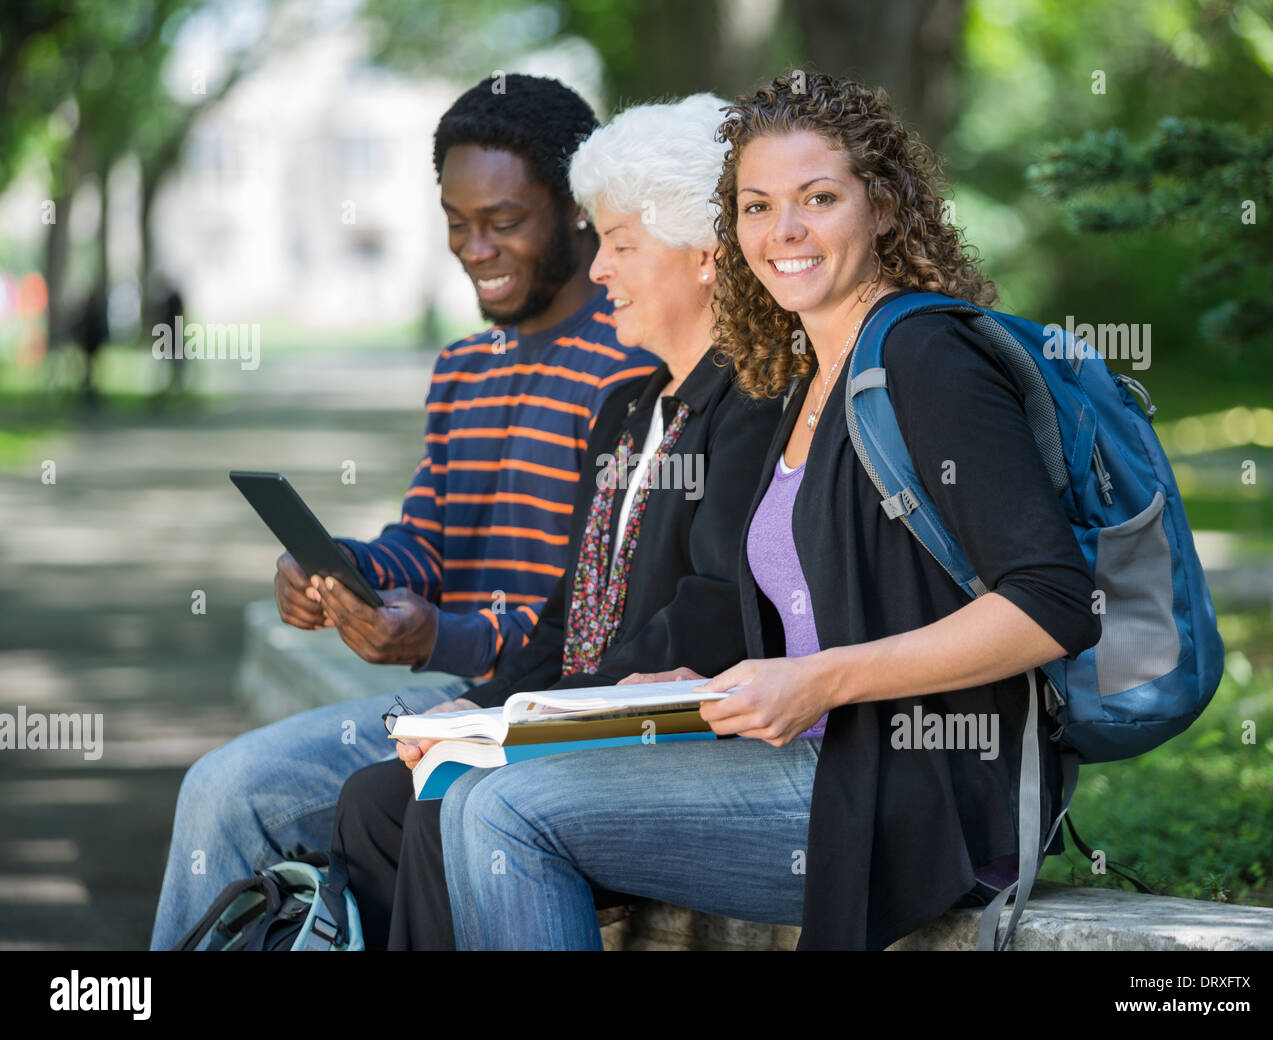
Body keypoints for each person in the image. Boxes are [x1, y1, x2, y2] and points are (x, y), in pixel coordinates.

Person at [434, 70, 1103, 950]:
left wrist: (822, 680)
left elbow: (1053, 602)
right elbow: (830, 607)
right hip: (818, 758)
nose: (783, 231)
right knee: (470, 787)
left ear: (887, 208)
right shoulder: (808, 378)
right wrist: (707, 686)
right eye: (755, 206)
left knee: (508, 811)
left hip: (922, 786)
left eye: (818, 198)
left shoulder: (926, 353)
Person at [148, 74, 658, 950]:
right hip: (449, 696)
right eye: (456, 222)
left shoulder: (635, 364)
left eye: (504, 221)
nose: (475, 247)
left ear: (578, 211)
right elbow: (425, 538)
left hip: (542, 711)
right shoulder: (462, 367)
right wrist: (346, 570)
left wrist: (438, 639)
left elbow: (593, 625)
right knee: (220, 782)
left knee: (232, 795)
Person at [328, 94, 788, 950]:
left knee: (448, 795)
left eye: (619, 244)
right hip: (578, 712)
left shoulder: (758, 404)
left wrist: (526, 722)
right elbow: (562, 623)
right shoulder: (626, 409)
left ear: (705, 258)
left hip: (666, 731)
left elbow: (713, 617)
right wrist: (473, 714)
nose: (599, 268)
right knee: (377, 798)